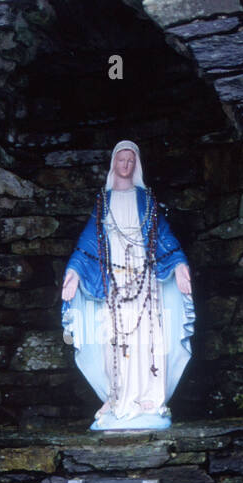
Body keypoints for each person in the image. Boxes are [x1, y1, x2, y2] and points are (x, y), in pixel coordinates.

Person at [61, 140, 194, 431]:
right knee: (113, 337)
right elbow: (88, 242)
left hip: (145, 281)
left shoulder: (147, 200)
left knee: (149, 337)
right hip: (115, 283)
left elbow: (163, 236)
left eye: (131, 160)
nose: (126, 165)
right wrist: (74, 271)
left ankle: (149, 398)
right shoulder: (103, 202)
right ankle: (118, 396)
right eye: (121, 160)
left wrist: (180, 265)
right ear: (113, 164)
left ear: (137, 165)